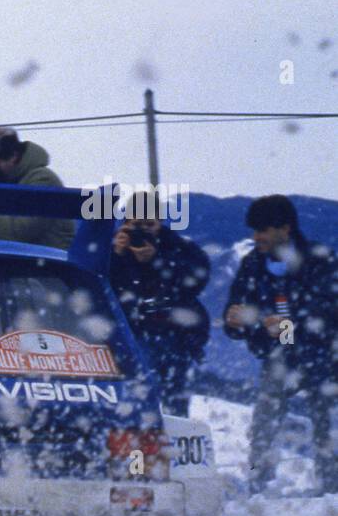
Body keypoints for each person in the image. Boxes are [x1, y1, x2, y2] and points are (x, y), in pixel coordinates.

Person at [224, 194, 337, 495]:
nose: (255, 237)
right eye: (254, 230)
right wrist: (234, 321)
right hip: (280, 355)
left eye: (262, 230)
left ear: (284, 229)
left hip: (325, 357)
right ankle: (258, 483)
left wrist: (287, 325)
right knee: (265, 417)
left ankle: (332, 489)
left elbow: (328, 313)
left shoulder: (319, 259)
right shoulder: (254, 263)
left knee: (326, 420)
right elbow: (237, 305)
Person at [109, 191, 211, 417]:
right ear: (126, 223)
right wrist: (116, 255)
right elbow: (100, 286)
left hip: (175, 335)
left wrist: (156, 261)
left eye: (149, 224)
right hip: (132, 335)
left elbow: (197, 280)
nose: (143, 231)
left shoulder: (179, 247)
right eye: (137, 224)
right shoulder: (114, 250)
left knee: (175, 401)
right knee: (138, 397)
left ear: (161, 222)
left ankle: (175, 443)